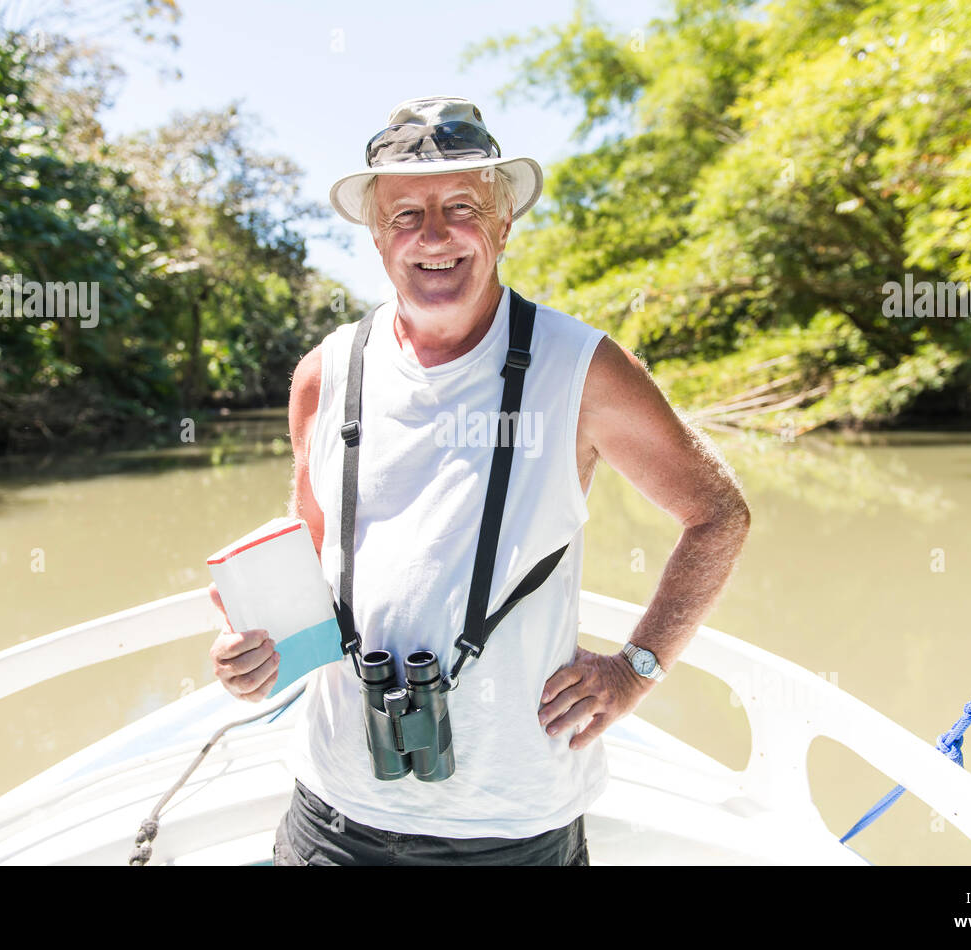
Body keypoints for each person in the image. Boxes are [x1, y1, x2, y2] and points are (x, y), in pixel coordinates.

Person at [207, 95, 751, 865]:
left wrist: (637, 668)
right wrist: (254, 652)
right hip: (330, 812)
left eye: (461, 206)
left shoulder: (582, 367)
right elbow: (311, 562)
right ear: (374, 234)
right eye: (406, 215)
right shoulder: (323, 374)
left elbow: (718, 513)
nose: (434, 236)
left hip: (512, 827)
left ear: (503, 224)